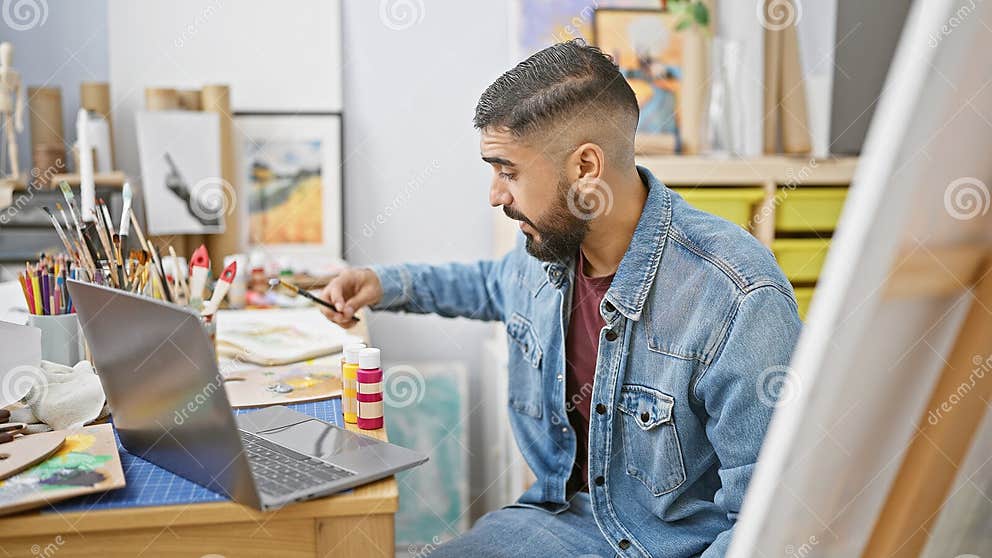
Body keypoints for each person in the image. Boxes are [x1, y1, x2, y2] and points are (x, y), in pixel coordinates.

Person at [319, 39, 802, 558]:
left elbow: (769, 519)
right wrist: (382, 283)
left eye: (508, 171)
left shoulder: (737, 295)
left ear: (585, 168)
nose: (495, 195)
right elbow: (485, 284)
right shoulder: (546, 249)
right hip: (560, 521)